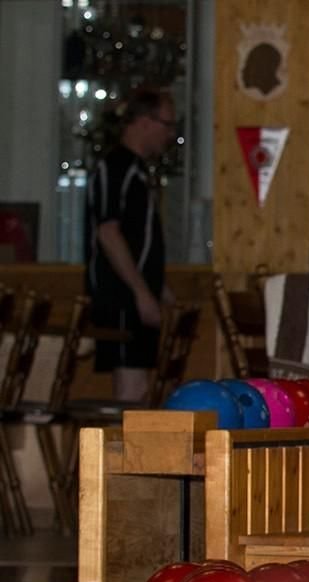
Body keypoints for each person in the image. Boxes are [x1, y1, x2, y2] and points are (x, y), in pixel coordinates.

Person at [85, 87, 178, 402]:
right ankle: (126, 452)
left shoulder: (138, 170)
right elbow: (108, 233)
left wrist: (159, 287)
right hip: (122, 297)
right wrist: (141, 293)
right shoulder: (115, 167)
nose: (170, 135)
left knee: (140, 387)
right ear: (144, 122)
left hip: (137, 295)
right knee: (131, 387)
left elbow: (140, 239)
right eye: (167, 124)